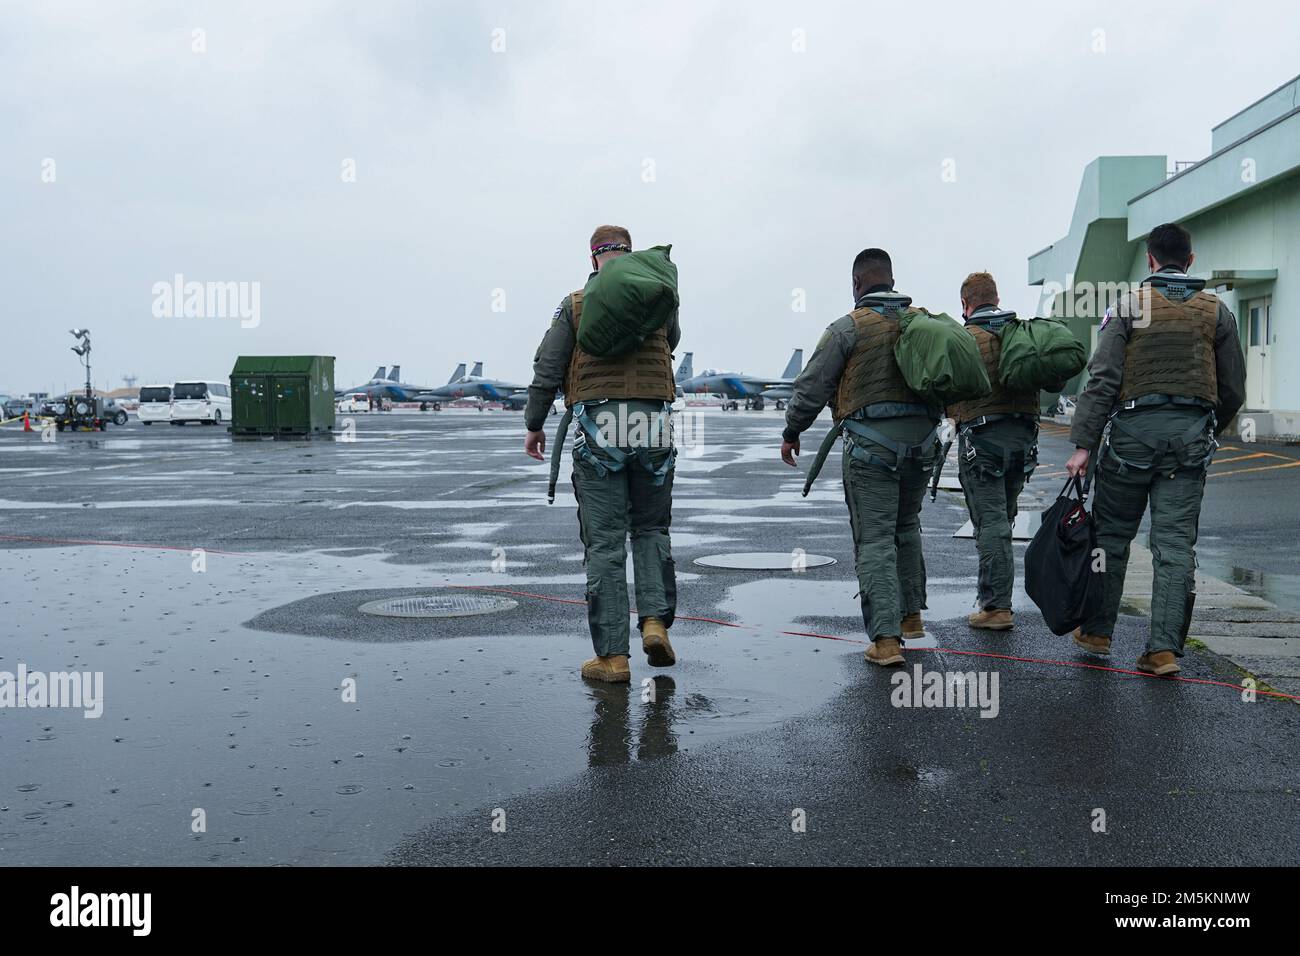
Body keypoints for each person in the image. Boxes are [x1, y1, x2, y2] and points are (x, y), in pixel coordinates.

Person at [1065, 222, 1246, 675]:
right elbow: (1233, 390)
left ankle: (1098, 631)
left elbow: (1102, 380)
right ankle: (1163, 649)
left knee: (1110, 537)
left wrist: (1084, 444)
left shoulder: (1128, 308)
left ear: (1150, 260)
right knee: (1174, 545)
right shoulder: (1217, 312)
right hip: (1187, 445)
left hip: (1130, 442)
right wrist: (1207, 430)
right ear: (1190, 260)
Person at [523, 225, 681, 683]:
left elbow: (548, 366)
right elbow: (670, 342)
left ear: (594, 259)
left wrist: (534, 424)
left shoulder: (575, 304)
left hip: (600, 429)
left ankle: (613, 659)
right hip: (653, 427)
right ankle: (654, 623)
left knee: (606, 542)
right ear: (630, 255)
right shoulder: (661, 296)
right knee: (651, 528)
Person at [781, 248, 940, 667]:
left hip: (873, 449)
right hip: (923, 447)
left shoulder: (847, 328)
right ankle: (911, 616)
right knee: (907, 526)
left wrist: (792, 430)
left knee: (875, 539)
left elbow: (812, 386)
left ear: (857, 285)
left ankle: (886, 641)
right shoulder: (922, 322)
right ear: (891, 279)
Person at [948, 272, 1040, 631]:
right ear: (997, 299)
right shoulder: (1021, 333)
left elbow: (947, 391)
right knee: (1004, 516)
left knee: (992, 524)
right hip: (1023, 442)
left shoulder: (963, 339)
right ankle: (996, 598)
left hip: (982, 444)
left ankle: (996, 606)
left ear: (965, 304)